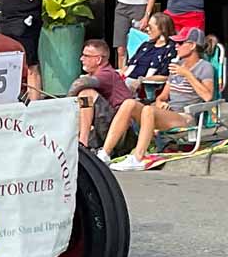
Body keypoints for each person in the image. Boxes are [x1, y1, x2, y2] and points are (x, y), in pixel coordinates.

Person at [104, 27, 217, 172]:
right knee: (129, 104)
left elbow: (207, 96)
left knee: (149, 110)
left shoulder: (205, 67)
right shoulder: (177, 66)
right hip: (167, 113)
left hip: (186, 116)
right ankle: (105, 153)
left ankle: (139, 157)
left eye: (180, 43)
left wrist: (187, 74)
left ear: (193, 45)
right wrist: (161, 102)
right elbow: (163, 96)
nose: (176, 46)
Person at [94, 13, 177, 160]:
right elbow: (129, 66)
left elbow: (168, 75)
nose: (146, 30)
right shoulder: (146, 45)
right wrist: (119, 73)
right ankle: (92, 141)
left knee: (119, 101)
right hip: (127, 83)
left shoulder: (170, 49)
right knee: (92, 93)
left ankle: (107, 148)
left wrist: (142, 79)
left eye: (150, 27)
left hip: (144, 90)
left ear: (162, 28)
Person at [72, 39, 132, 149]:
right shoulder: (100, 74)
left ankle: (82, 143)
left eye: (86, 56)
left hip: (121, 131)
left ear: (98, 59)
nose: (81, 59)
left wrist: (66, 102)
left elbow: (81, 83)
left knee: (85, 94)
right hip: (108, 126)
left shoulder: (107, 74)